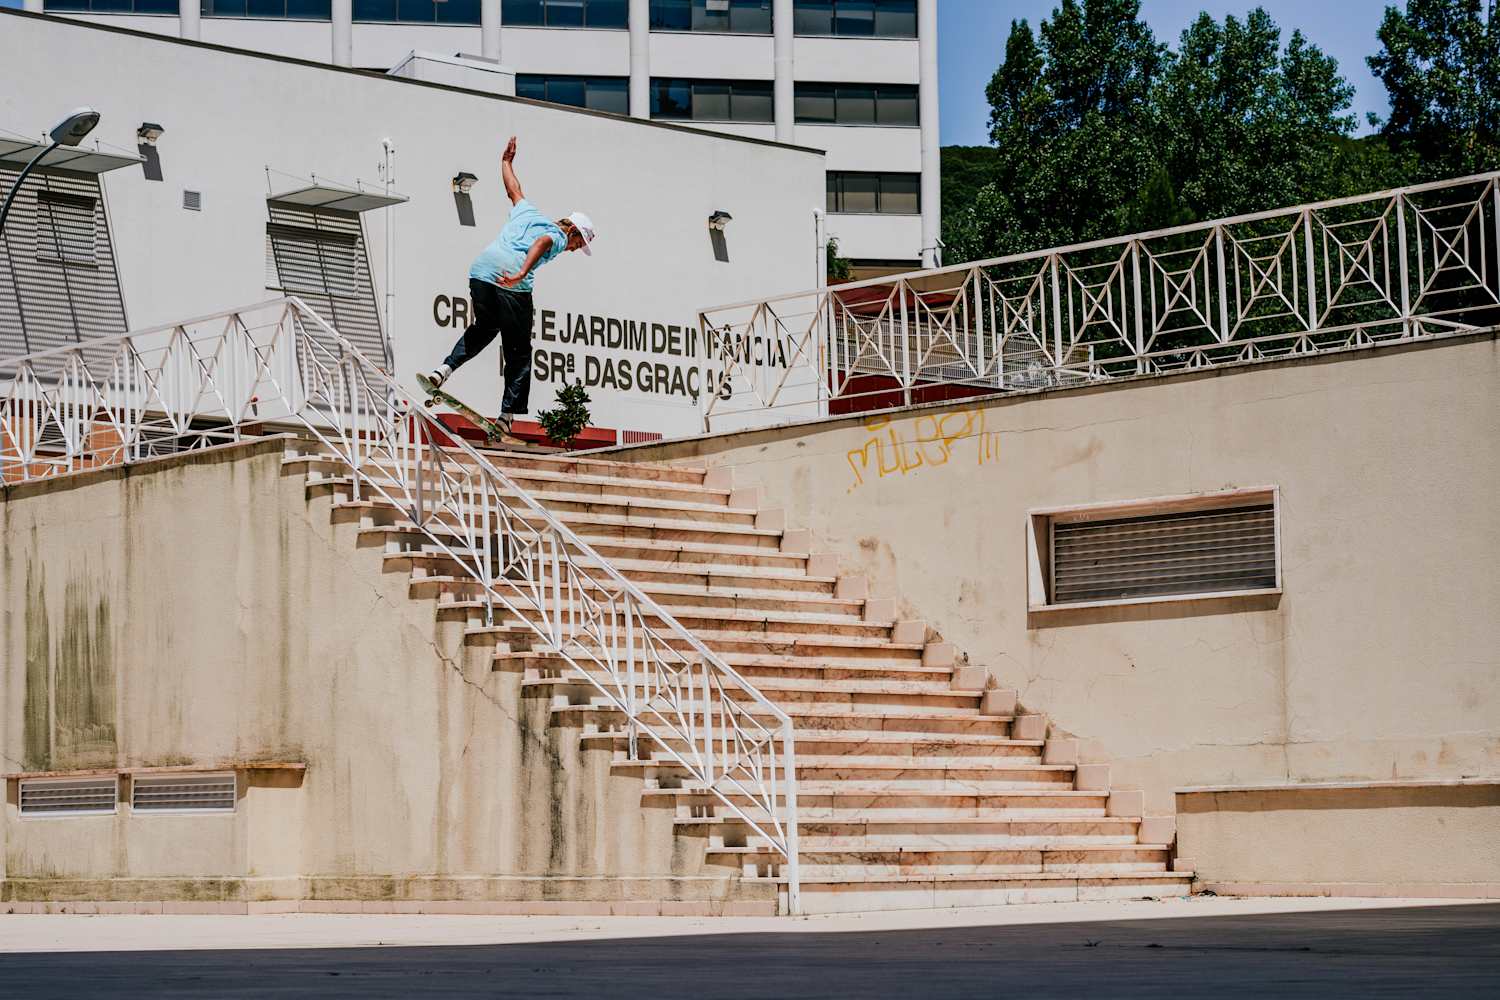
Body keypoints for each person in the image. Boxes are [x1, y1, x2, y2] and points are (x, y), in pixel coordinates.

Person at [422, 135, 595, 442]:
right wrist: (521, 273)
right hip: (511, 281)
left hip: (481, 271)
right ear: (573, 230)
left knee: (485, 328)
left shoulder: (528, 211)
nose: (573, 249)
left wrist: (505, 161)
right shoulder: (557, 235)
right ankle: (506, 416)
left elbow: (513, 189)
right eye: (577, 243)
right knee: (519, 350)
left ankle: (443, 370)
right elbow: (542, 243)